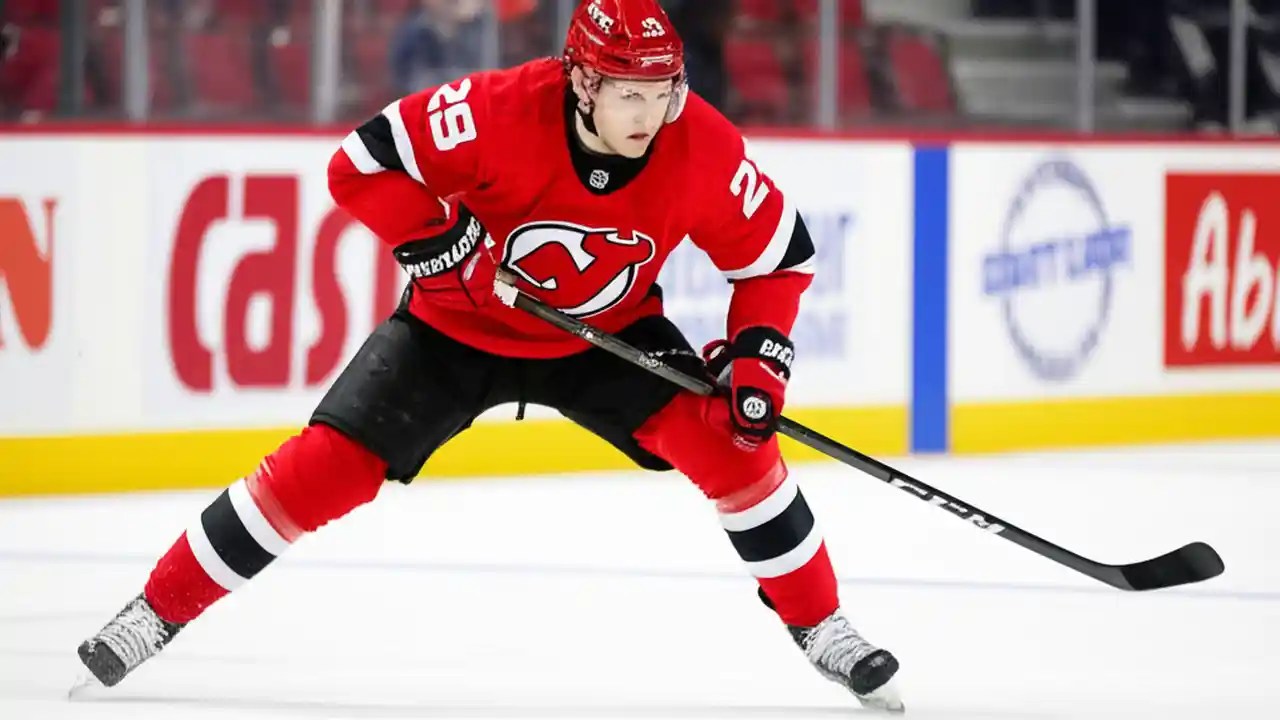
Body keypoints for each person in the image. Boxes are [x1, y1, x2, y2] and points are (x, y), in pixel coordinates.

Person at [75, 0, 903, 712]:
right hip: (454, 329)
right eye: (629, 95)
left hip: (606, 335)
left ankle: (820, 623)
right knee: (327, 467)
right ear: (583, 82)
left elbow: (776, 259)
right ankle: (156, 609)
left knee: (735, 448)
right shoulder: (494, 111)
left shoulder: (701, 147)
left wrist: (758, 356)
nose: (650, 114)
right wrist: (439, 241)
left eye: (663, 92)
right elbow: (358, 166)